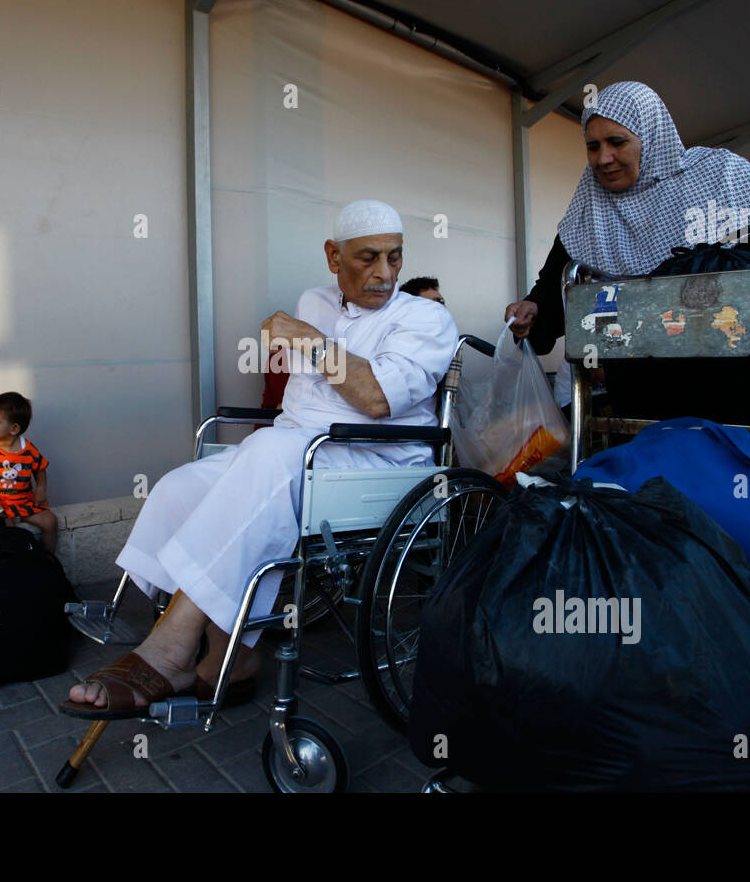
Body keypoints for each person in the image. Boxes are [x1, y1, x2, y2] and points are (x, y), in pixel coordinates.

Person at [63, 199, 458, 716]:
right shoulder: (313, 300)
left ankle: (170, 649)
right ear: (333, 255)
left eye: (395, 257)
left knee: (269, 453)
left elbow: (378, 399)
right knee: (183, 485)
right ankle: (233, 656)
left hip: (377, 461)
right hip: (297, 449)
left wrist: (311, 340)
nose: (384, 274)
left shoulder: (425, 318)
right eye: (368, 258)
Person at [503, 80, 750, 428]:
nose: (603, 158)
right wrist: (535, 308)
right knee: (664, 476)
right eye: (592, 146)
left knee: (742, 470)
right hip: (648, 395)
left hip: (743, 387)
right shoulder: (589, 209)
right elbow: (556, 282)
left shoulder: (717, 175)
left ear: (652, 136)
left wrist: (706, 267)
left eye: (617, 142)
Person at [0, 392, 59, 553]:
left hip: (22, 502)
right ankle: (15, 565)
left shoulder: (27, 448)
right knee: (8, 530)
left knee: (50, 521)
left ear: (14, 428)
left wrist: (40, 490)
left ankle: (47, 560)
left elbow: (40, 469)